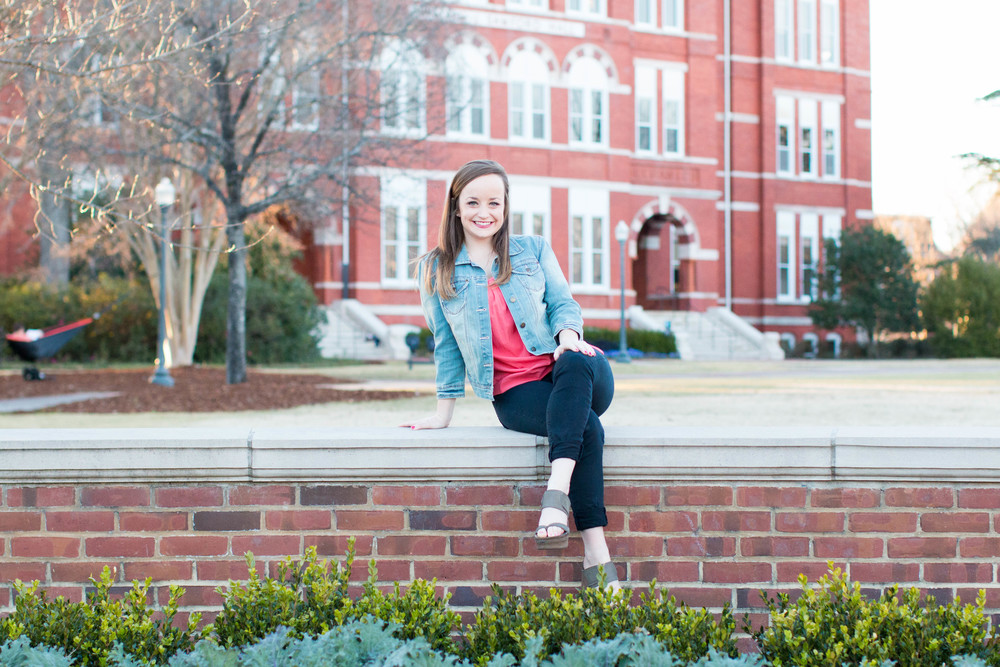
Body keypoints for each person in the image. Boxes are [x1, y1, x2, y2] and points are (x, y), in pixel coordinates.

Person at [401, 159, 619, 590]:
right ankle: (598, 555)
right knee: (585, 429)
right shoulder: (436, 268)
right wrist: (444, 412)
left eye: (494, 202)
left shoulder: (532, 249)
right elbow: (445, 346)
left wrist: (567, 335)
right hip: (516, 392)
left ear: (505, 206)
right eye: (474, 202)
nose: (485, 211)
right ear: (456, 206)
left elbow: (562, 303)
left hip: (574, 369)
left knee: (573, 359)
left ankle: (556, 494)